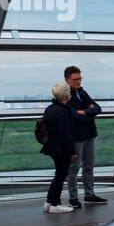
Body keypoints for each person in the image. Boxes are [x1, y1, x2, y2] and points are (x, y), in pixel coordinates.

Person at [64, 65, 106, 207]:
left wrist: (85, 112)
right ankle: (73, 197)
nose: (78, 82)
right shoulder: (66, 96)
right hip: (77, 137)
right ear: (67, 80)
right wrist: (90, 114)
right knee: (74, 168)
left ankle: (89, 194)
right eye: (75, 79)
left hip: (89, 135)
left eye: (80, 78)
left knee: (89, 165)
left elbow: (98, 108)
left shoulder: (82, 92)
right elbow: (75, 117)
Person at [40, 82, 79, 214]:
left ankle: (49, 201)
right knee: (61, 176)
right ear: (66, 95)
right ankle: (54, 204)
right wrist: (72, 152)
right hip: (61, 149)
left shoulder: (50, 109)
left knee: (58, 175)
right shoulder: (62, 112)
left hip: (52, 147)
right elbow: (66, 135)